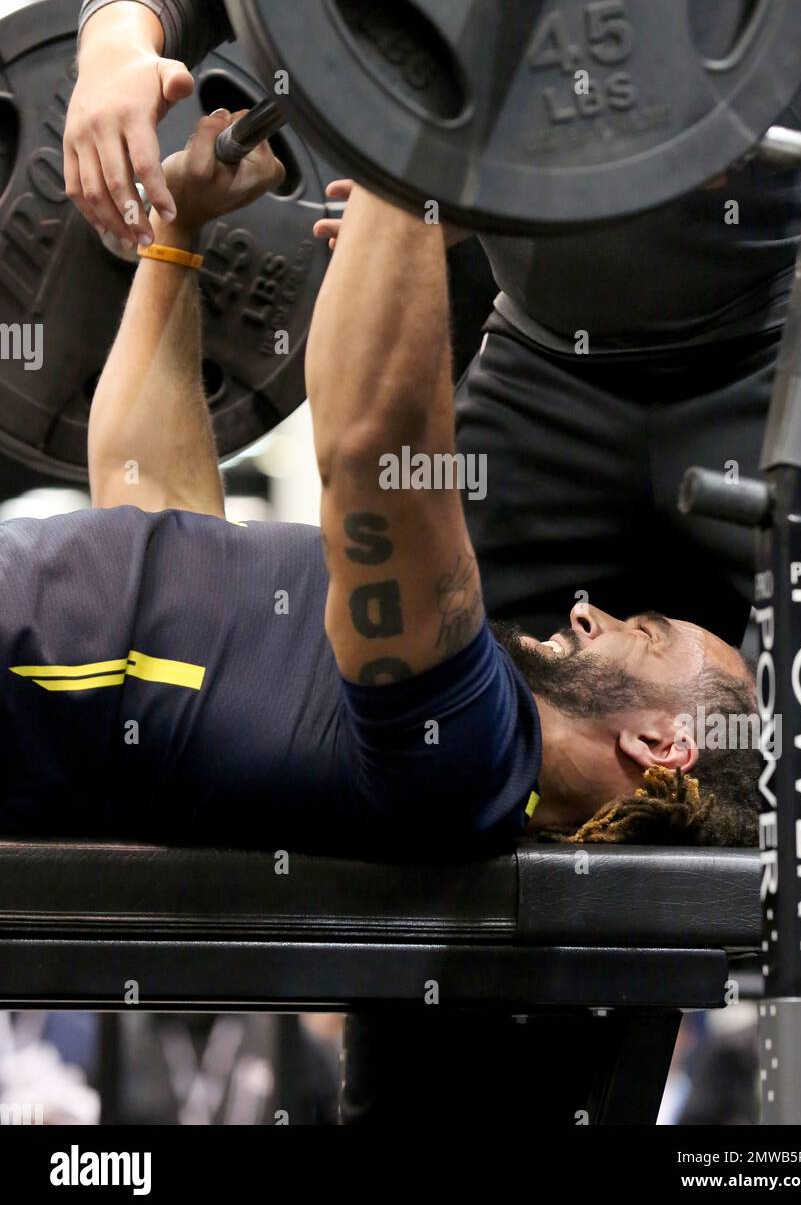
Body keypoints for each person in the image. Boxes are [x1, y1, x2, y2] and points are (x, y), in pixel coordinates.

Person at [63, 0, 801, 646]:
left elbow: (745, 123)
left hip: (767, 354)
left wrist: (502, 186)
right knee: (419, 667)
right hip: (545, 370)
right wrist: (115, 57)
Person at [0, 113, 758, 857]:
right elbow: (157, 510)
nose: (592, 613)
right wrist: (181, 233)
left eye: (646, 636)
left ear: (661, 745)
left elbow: (372, 440)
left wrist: (416, 147)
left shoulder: (467, 758)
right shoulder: (450, 743)